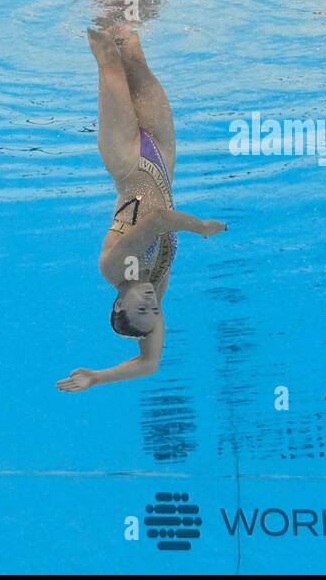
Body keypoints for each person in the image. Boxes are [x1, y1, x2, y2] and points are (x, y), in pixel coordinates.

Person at [58, 26, 226, 393]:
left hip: (127, 160)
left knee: (109, 58)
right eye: (155, 313)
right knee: (132, 50)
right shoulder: (155, 285)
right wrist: (99, 377)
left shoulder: (115, 267)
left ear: (119, 306)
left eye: (142, 310)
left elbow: (158, 219)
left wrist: (201, 228)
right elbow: (150, 363)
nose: (152, 305)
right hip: (163, 160)